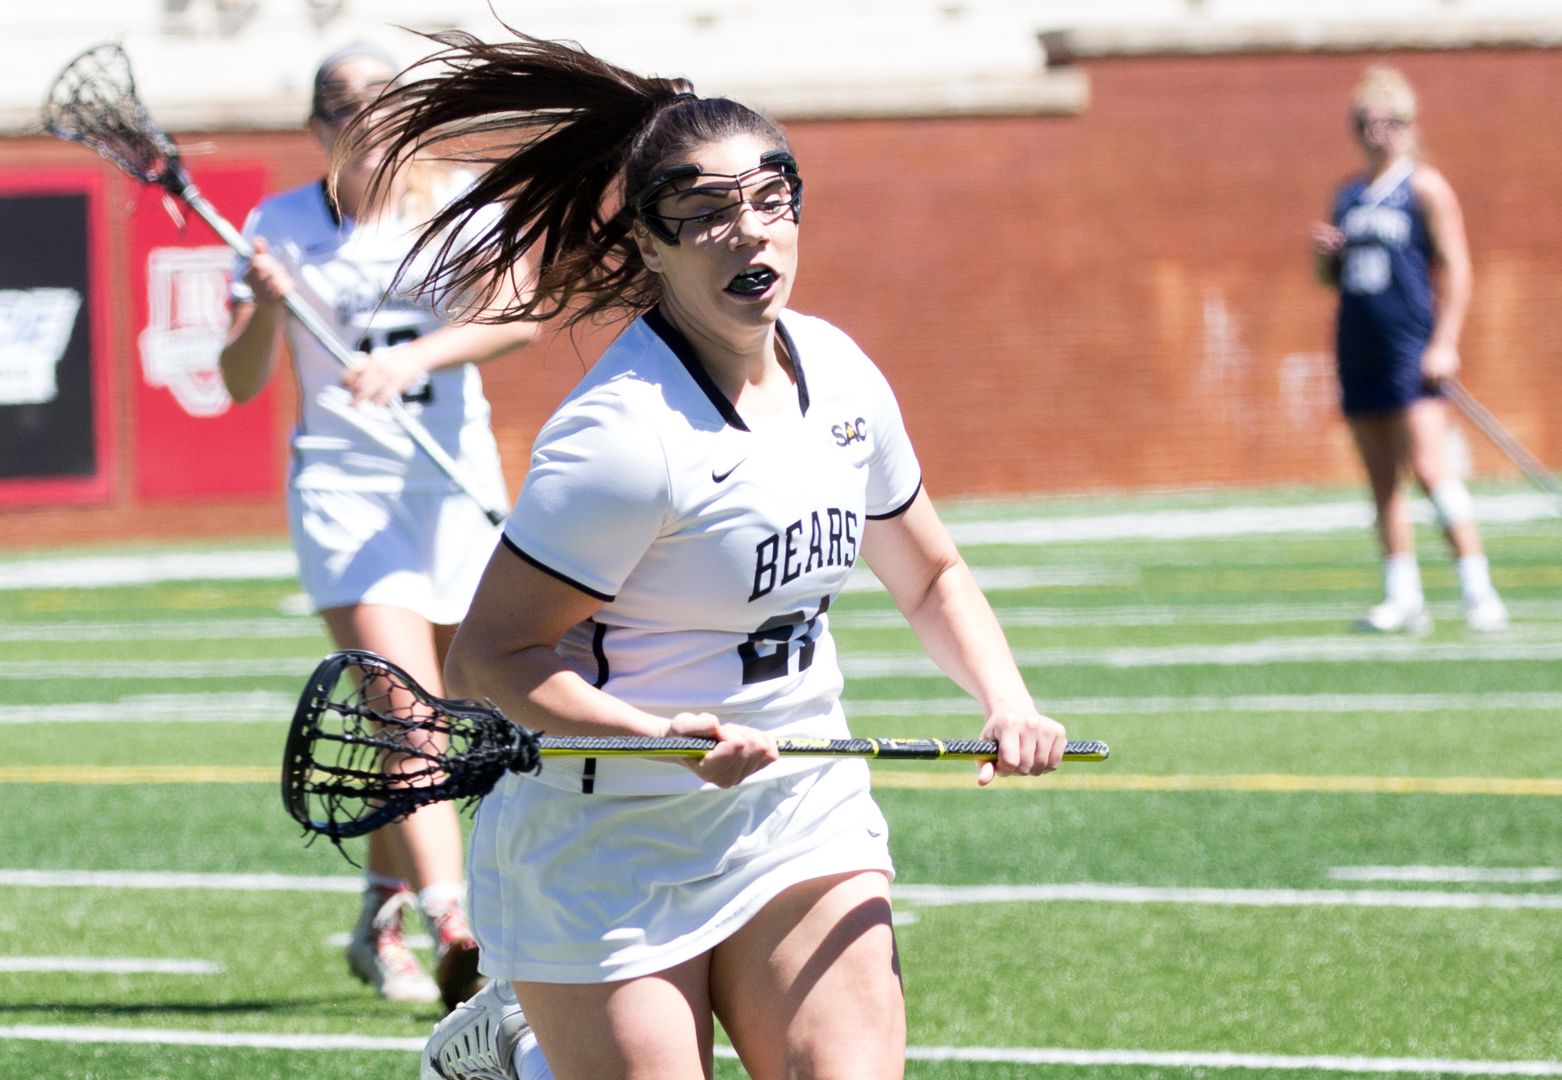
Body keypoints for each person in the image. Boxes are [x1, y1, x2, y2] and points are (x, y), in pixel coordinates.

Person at [338, 32, 1070, 1080]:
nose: (748, 231)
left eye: (771, 199)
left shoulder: (846, 379)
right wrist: (653, 733)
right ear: (648, 245)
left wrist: (1006, 701)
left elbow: (932, 573)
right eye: (704, 212)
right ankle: (524, 1062)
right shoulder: (621, 438)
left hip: (797, 807)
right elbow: (488, 660)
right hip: (606, 838)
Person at [218, 42, 538, 1008]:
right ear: (320, 127)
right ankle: (459, 926)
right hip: (344, 495)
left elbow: (518, 313)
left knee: (457, 722)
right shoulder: (276, 227)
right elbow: (236, 384)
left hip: (450, 483)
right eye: (351, 110)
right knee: (405, 715)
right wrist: (267, 312)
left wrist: (418, 357)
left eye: (391, 105)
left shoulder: (459, 201)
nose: (375, 124)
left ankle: (379, 904)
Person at [1310, 65, 1508, 634]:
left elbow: (1459, 267)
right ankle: (1403, 595)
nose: (1379, 133)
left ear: (1408, 126)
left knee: (1428, 465)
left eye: (1390, 122)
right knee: (1380, 478)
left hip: (1409, 348)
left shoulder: (1424, 187)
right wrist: (1326, 254)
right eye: (1368, 123)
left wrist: (1444, 343)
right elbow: (1330, 280)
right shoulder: (1347, 195)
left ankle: (1478, 587)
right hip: (1358, 347)